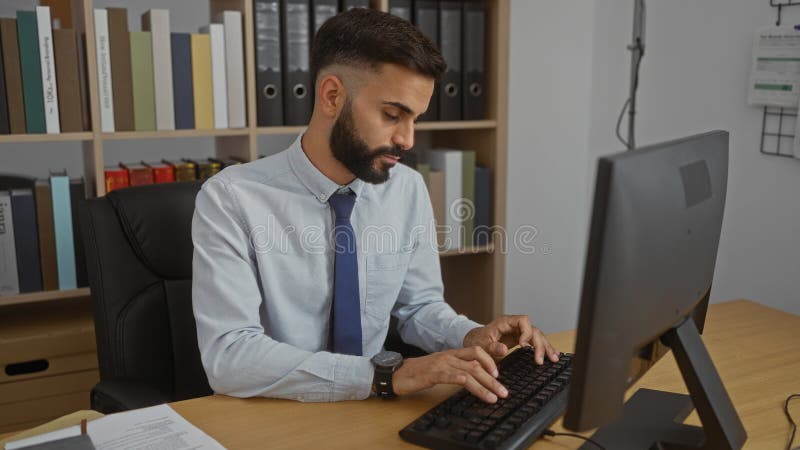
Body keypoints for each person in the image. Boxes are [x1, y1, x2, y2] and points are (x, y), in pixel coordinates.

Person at [191, 8, 559, 404]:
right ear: (332, 95)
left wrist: (469, 335)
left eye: (415, 119)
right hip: (280, 414)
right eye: (392, 115)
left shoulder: (407, 189)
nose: (407, 139)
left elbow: (418, 307)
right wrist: (382, 376)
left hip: (370, 408)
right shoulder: (230, 198)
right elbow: (229, 356)